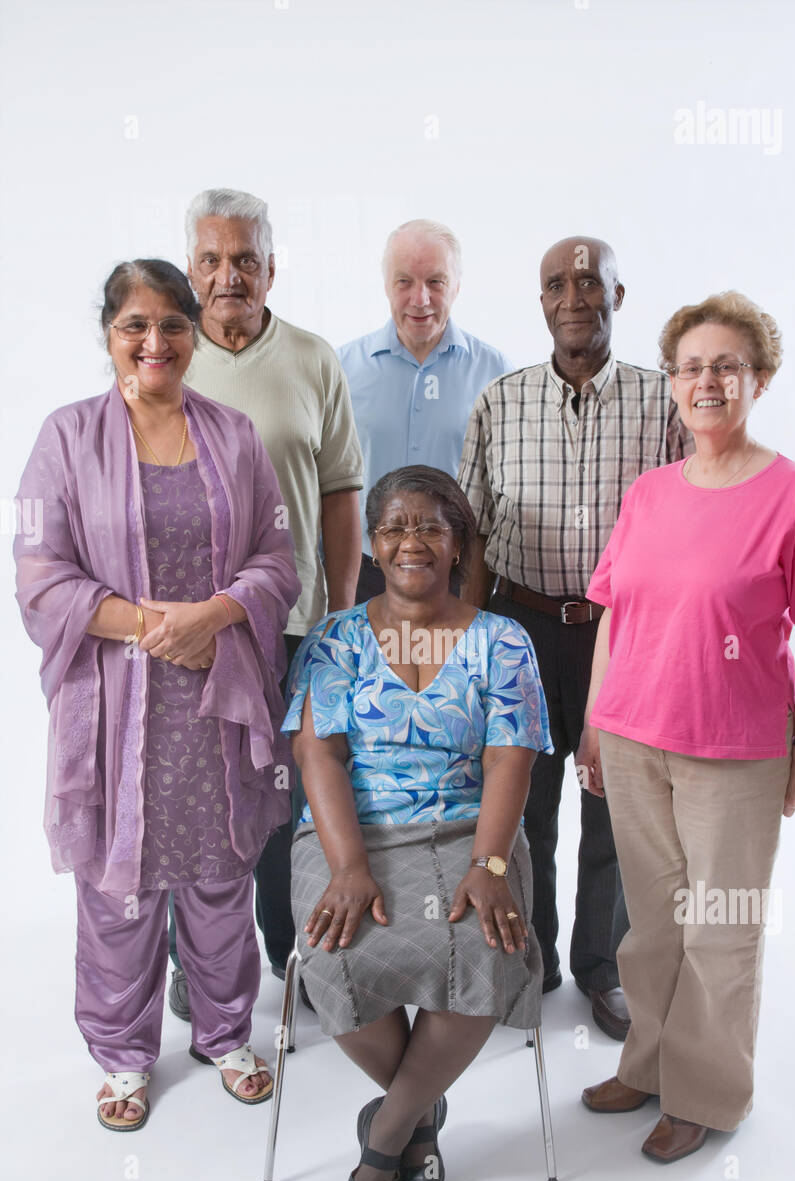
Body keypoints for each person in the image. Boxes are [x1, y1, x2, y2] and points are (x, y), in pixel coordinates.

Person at [14, 258, 300, 1130]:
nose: (155, 342)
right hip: (112, 705)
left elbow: (277, 559)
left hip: (218, 699)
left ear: (193, 335)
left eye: (172, 325)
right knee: (118, 886)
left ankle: (224, 1033)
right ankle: (123, 1054)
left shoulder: (235, 434)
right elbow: (39, 574)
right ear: (109, 335)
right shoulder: (67, 439)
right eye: (135, 325)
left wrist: (214, 615)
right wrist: (146, 625)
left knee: (220, 875)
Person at [577, 291, 795, 1162]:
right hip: (631, 738)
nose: (706, 381)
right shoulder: (651, 493)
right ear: (673, 383)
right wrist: (592, 725)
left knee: (719, 929)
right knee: (651, 923)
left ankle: (705, 1094)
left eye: (726, 365)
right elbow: (615, 616)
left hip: (735, 755)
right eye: (690, 367)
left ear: (758, 380)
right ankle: (650, 1063)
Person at [283, 465, 552, 1181]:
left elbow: (511, 759)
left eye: (432, 527)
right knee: (334, 957)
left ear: (459, 544)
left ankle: (387, 1138)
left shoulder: (503, 641)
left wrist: (489, 865)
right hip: (350, 836)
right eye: (396, 527)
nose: (413, 542)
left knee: (490, 950)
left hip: (475, 833)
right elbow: (319, 756)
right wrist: (349, 869)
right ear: (372, 543)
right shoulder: (337, 637)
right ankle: (421, 1116)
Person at [458, 236, 691, 1036]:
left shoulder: (665, 404)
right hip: (520, 625)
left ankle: (603, 967)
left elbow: (689, 532)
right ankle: (528, 959)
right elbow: (476, 535)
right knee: (522, 805)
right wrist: (471, 641)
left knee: (616, 807)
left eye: (589, 282)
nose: (572, 297)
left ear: (617, 298)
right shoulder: (500, 401)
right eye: (556, 283)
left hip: (622, 633)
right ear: (542, 299)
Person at [165, 187, 364, 1019]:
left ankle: (293, 956)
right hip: (190, 634)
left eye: (245, 260)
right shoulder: (162, 362)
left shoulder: (315, 360)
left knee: (285, 800)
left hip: (290, 624)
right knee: (193, 799)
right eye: (211, 260)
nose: (228, 276)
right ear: (189, 271)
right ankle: (199, 967)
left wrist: (343, 614)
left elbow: (343, 492)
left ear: (272, 269)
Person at [338, 219, 512, 603]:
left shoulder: (497, 374)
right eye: (404, 282)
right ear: (386, 285)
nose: (421, 299)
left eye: (436, 282)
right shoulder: (341, 369)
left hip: (458, 579)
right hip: (365, 578)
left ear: (457, 286)